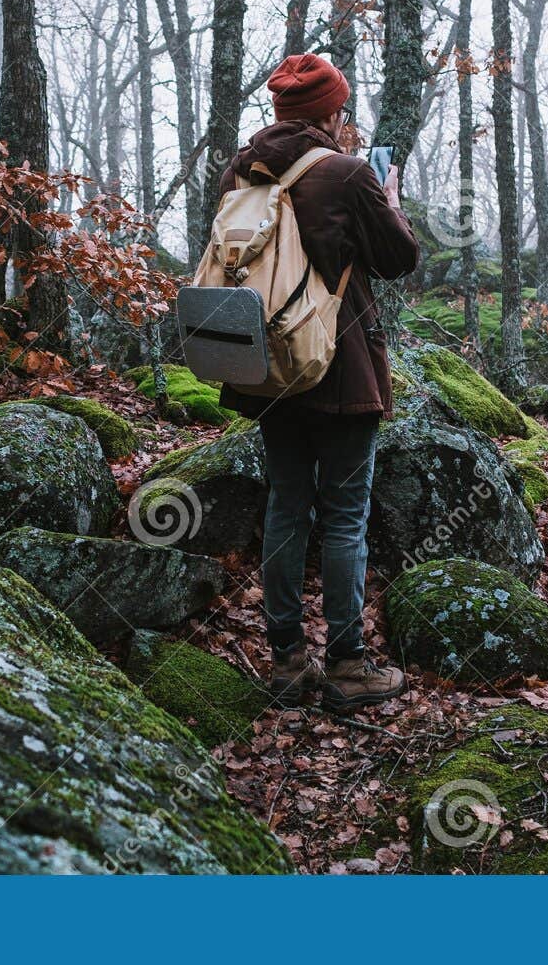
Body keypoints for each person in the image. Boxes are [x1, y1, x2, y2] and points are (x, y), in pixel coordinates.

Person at [216, 53, 420, 710]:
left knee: (285, 506)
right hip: (339, 365)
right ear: (330, 112)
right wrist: (389, 200)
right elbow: (398, 259)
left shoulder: (243, 170)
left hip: (268, 366)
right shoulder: (347, 173)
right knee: (344, 516)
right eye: (341, 107)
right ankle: (348, 664)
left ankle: (286, 662)